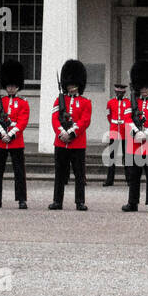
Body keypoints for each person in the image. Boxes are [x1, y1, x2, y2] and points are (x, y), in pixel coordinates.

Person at [0, 60, 31, 210]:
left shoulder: (23, 103)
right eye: (9, 85)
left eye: (13, 86)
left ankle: (22, 199)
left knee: (19, 172)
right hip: (0, 141)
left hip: (15, 141)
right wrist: (1, 133)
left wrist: (10, 134)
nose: (11, 88)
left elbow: (22, 122)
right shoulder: (0, 101)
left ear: (18, 86)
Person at [49, 59, 91, 211]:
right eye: (69, 84)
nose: (71, 87)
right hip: (61, 142)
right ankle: (57, 201)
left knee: (79, 174)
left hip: (77, 143)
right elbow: (54, 119)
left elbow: (85, 121)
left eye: (74, 84)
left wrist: (71, 133)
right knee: (60, 173)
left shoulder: (85, 102)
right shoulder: (59, 100)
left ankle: (80, 201)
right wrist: (61, 132)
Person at [122, 59, 148, 213]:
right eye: (142, 87)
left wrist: (145, 132)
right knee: (134, 176)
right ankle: (132, 203)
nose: (144, 90)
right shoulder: (132, 102)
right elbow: (127, 119)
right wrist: (136, 132)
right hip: (135, 144)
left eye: (147, 87)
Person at [103, 81, 129, 187]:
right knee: (112, 157)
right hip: (114, 131)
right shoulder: (110, 102)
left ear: (124, 93)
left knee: (127, 157)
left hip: (125, 132)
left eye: (121, 92)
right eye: (117, 92)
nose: (119, 94)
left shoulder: (128, 102)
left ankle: (129, 179)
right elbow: (108, 116)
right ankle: (109, 180)